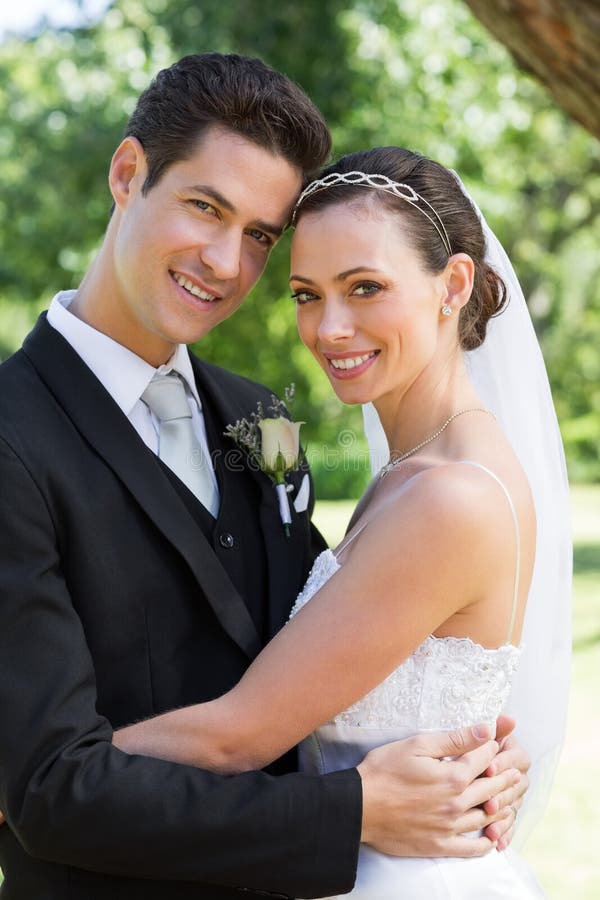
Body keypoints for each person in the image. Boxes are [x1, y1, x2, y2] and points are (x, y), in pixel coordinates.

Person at [0, 55, 528, 899]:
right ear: (128, 174)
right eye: (205, 207)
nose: (224, 261)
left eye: (259, 236)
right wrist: (353, 810)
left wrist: (470, 754)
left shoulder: (262, 418)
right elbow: (47, 785)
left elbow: (329, 631)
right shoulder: (11, 435)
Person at [111, 146, 571, 898]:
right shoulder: (409, 470)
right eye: (306, 294)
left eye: (365, 288)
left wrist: (35, 776)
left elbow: (240, 733)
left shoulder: (449, 496)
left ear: (454, 284)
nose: (329, 328)